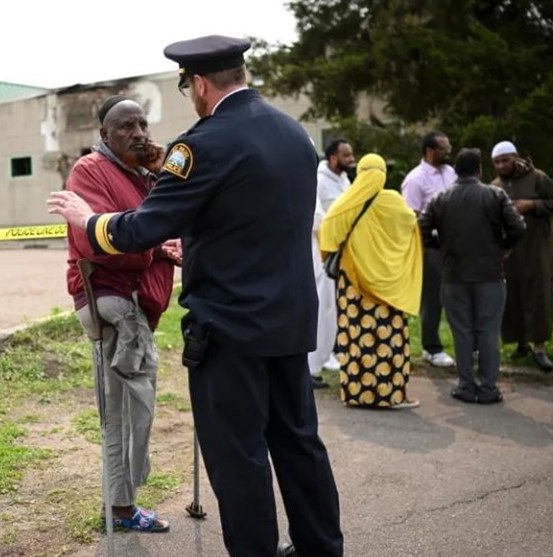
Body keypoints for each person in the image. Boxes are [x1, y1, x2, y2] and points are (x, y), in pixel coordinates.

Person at [49, 35, 343, 557]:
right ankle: (321, 547)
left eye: (188, 88)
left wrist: (85, 221)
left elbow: (143, 227)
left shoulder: (200, 145)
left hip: (230, 330)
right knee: (300, 443)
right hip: (290, 322)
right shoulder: (295, 136)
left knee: (240, 455)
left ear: (201, 83)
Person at [64, 95, 179, 533]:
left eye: (143, 124)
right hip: (110, 302)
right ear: (104, 135)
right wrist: (152, 249)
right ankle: (121, 510)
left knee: (135, 411)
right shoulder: (90, 170)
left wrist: (162, 247)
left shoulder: (142, 174)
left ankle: (123, 505)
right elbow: (99, 243)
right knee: (123, 412)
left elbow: (157, 226)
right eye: (126, 127)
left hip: (135, 304)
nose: (138, 133)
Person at [419, 148, 526, 403]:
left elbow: (422, 227)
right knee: (488, 331)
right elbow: (518, 226)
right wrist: (504, 246)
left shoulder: (441, 198)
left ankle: (466, 386)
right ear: (479, 170)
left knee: (462, 332)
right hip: (490, 273)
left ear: (455, 171)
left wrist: (440, 246)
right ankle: (489, 388)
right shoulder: (495, 194)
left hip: (454, 275)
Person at [320, 153, 423, 409]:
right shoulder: (393, 202)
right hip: (388, 288)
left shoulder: (345, 202)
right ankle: (391, 395)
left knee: (356, 335)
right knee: (390, 338)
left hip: (353, 285)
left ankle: (357, 393)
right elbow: (411, 223)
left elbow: (328, 235)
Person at [491, 140, 553, 371]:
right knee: (512, 295)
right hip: (510, 251)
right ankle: (520, 344)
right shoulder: (495, 186)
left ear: (516, 157)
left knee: (537, 293)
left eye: (506, 160)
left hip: (536, 247)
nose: (502, 165)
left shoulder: (538, 178)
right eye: (497, 162)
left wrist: (531, 205)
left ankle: (540, 348)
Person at [401, 131, 457, 368]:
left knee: (457, 295)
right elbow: (410, 215)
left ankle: (468, 345)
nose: (449, 151)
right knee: (433, 297)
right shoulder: (415, 179)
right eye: (445, 147)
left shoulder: (451, 172)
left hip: (455, 244)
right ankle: (431, 348)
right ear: (430, 150)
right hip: (431, 246)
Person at [309, 139, 356, 387]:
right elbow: (317, 219)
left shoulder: (343, 179)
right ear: (332, 157)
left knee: (330, 309)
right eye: (346, 155)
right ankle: (311, 366)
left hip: (334, 252)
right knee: (320, 308)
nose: (351, 159)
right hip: (317, 251)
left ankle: (323, 357)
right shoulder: (316, 180)